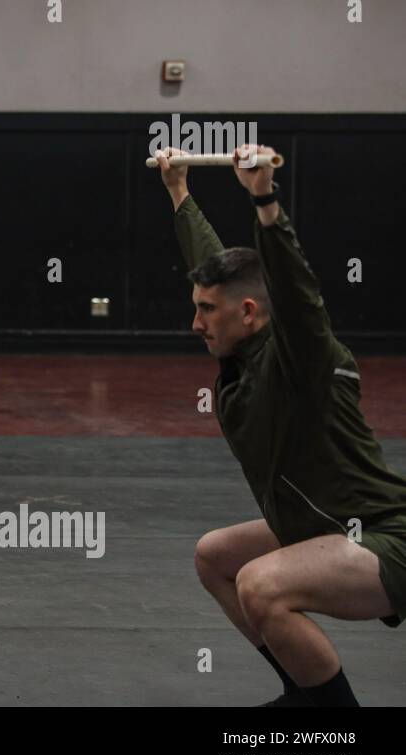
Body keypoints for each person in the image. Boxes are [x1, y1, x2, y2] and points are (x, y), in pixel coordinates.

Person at [158, 145, 406, 707]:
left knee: (260, 584)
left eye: (207, 311)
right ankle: (302, 689)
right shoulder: (244, 351)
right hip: (322, 523)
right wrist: (179, 191)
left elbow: (296, 294)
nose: (195, 323)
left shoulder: (304, 356)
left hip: (384, 537)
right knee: (216, 556)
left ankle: (332, 718)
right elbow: (217, 266)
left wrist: (265, 201)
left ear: (248, 314)